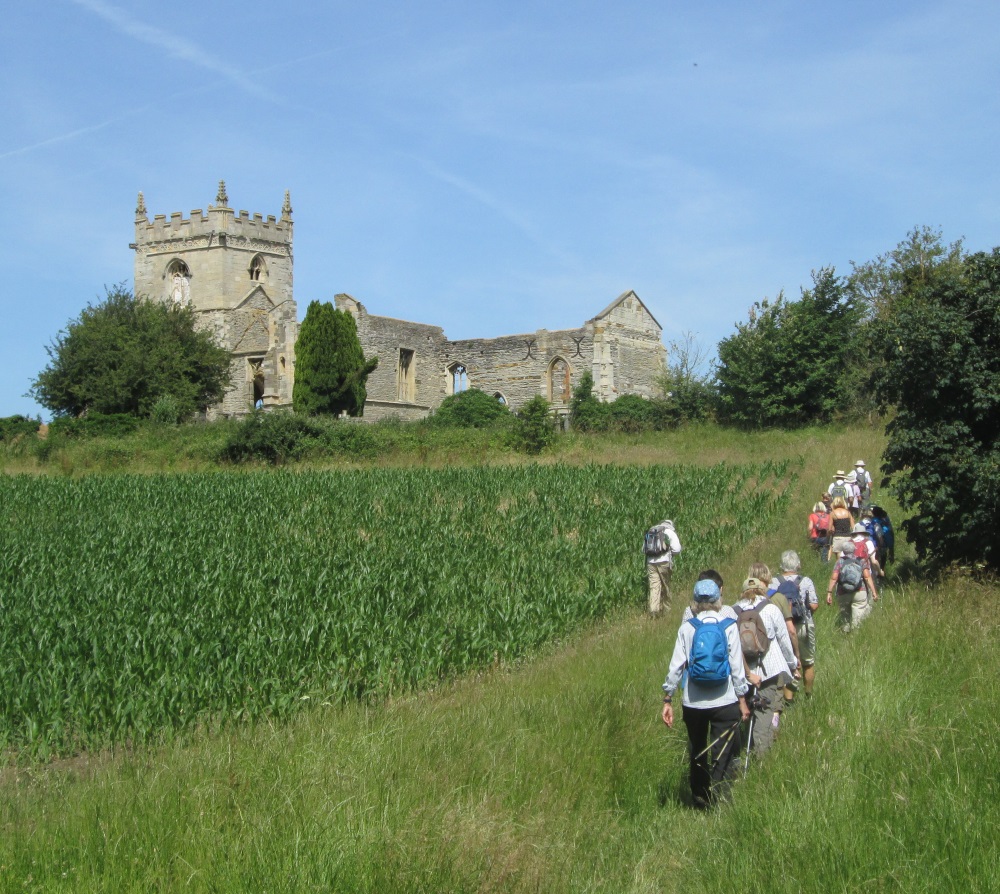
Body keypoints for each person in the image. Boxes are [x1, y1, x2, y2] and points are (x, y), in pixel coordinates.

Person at [662, 579, 750, 809]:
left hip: (694, 702)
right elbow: (737, 669)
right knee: (723, 751)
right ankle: (722, 797)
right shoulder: (729, 626)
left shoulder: (687, 628)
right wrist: (742, 700)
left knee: (698, 749)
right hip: (726, 700)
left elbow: (676, 667)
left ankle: (700, 798)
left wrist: (668, 698)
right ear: (718, 601)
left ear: (696, 602)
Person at [733, 577, 798, 756]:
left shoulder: (732, 611)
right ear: (762, 590)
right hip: (769, 669)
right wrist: (792, 664)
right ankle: (761, 758)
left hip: (743, 671)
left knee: (746, 711)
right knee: (765, 711)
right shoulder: (771, 609)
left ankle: (746, 748)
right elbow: (784, 640)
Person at [769, 551, 818, 699]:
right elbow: (814, 605)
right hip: (803, 625)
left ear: (781, 565)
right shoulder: (806, 581)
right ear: (798, 565)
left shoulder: (774, 582)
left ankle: (788, 699)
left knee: (786, 662)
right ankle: (808, 694)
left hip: (783, 627)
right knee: (808, 662)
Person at [826, 541, 878, 631]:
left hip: (843, 593)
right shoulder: (861, 560)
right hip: (859, 591)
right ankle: (855, 636)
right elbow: (867, 577)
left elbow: (834, 578)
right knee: (857, 619)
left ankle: (846, 635)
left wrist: (829, 592)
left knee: (845, 618)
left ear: (843, 551)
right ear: (854, 550)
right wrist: (873, 592)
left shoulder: (840, 561)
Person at [644, 519, 681, 617]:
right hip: (664, 562)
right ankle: (667, 609)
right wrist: (670, 554)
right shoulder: (670, 532)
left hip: (650, 562)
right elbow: (677, 549)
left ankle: (653, 610)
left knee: (654, 586)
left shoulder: (652, 530)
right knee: (666, 585)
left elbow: (643, 548)